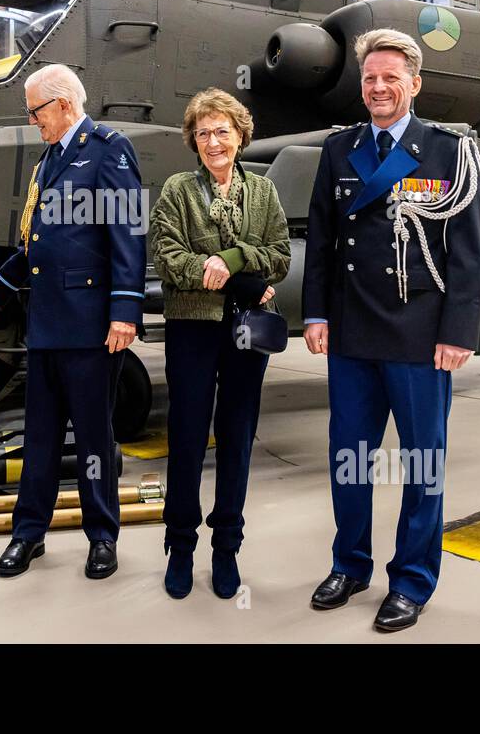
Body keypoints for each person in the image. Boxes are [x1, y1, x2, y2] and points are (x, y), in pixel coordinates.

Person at [302, 28, 480, 631]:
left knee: (422, 464)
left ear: (415, 83)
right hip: (353, 334)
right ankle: (350, 564)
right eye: (370, 79)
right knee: (349, 458)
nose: (379, 88)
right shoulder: (340, 150)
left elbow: (468, 254)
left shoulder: (449, 153)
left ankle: (411, 580)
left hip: (419, 336)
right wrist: (317, 313)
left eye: (390, 78)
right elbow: (323, 240)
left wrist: (458, 332)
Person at [0, 64, 146, 580]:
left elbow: (128, 234)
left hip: (91, 326)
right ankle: (28, 533)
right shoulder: (48, 160)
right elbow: (34, 244)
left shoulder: (108, 149)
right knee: (39, 436)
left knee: (93, 437)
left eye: (35, 111)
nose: (32, 120)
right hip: (46, 325)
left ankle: (102, 536)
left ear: (63, 104)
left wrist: (125, 311)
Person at [149, 88, 290, 600]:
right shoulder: (177, 190)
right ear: (193, 139)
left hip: (247, 332)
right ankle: (180, 544)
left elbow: (279, 255)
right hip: (192, 327)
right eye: (203, 133)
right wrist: (238, 276)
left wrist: (227, 261)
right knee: (186, 437)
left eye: (222, 131)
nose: (213, 141)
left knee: (237, 436)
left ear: (240, 135)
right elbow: (167, 258)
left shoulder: (264, 193)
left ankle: (226, 545)